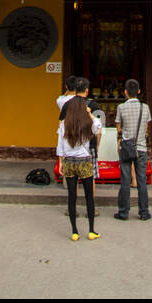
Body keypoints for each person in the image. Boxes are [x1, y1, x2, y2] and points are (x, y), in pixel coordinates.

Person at [57, 96, 103, 240]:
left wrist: (61, 162)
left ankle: (74, 231)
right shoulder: (87, 122)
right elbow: (98, 127)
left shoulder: (64, 124)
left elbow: (60, 145)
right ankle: (91, 230)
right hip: (84, 161)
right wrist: (89, 113)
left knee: (72, 197)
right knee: (89, 197)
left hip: (70, 162)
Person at [114, 79, 152, 221]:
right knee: (142, 180)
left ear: (125, 92)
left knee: (125, 180)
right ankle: (144, 212)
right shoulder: (145, 108)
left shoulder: (121, 108)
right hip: (141, 148)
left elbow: (118, 124)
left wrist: (121, 135)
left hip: (126, 147)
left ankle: (123, 212)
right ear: (139, 91)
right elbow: (147, 127)